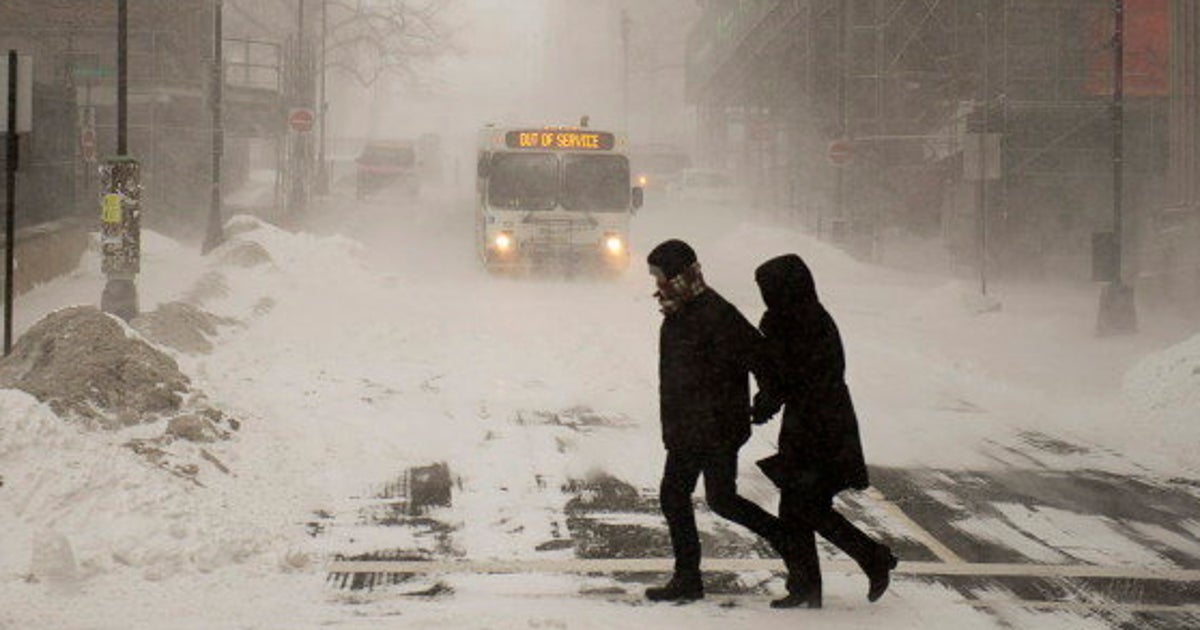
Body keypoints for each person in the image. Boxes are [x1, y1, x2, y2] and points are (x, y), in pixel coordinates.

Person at [643, 239, 798, 603]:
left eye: (659, 275)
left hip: (712, 427)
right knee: (721, 499)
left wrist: (765, 401)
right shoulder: (680, 309)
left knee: (677, 496)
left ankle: (689, 578)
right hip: (693, 425)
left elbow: (760, 356)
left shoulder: (714, 312)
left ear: (678, 274)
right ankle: (786, 543)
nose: (656, 284)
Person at [751, 253, 897, 609]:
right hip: (825, 422)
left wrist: (763, 405)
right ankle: (806, 585)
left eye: (767, 289)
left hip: (817, 427)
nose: (764, 296)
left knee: (805, 505)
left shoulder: (791, 321)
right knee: (798, 505)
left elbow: (784, 376)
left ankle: (870, 556)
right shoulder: (810, 316)